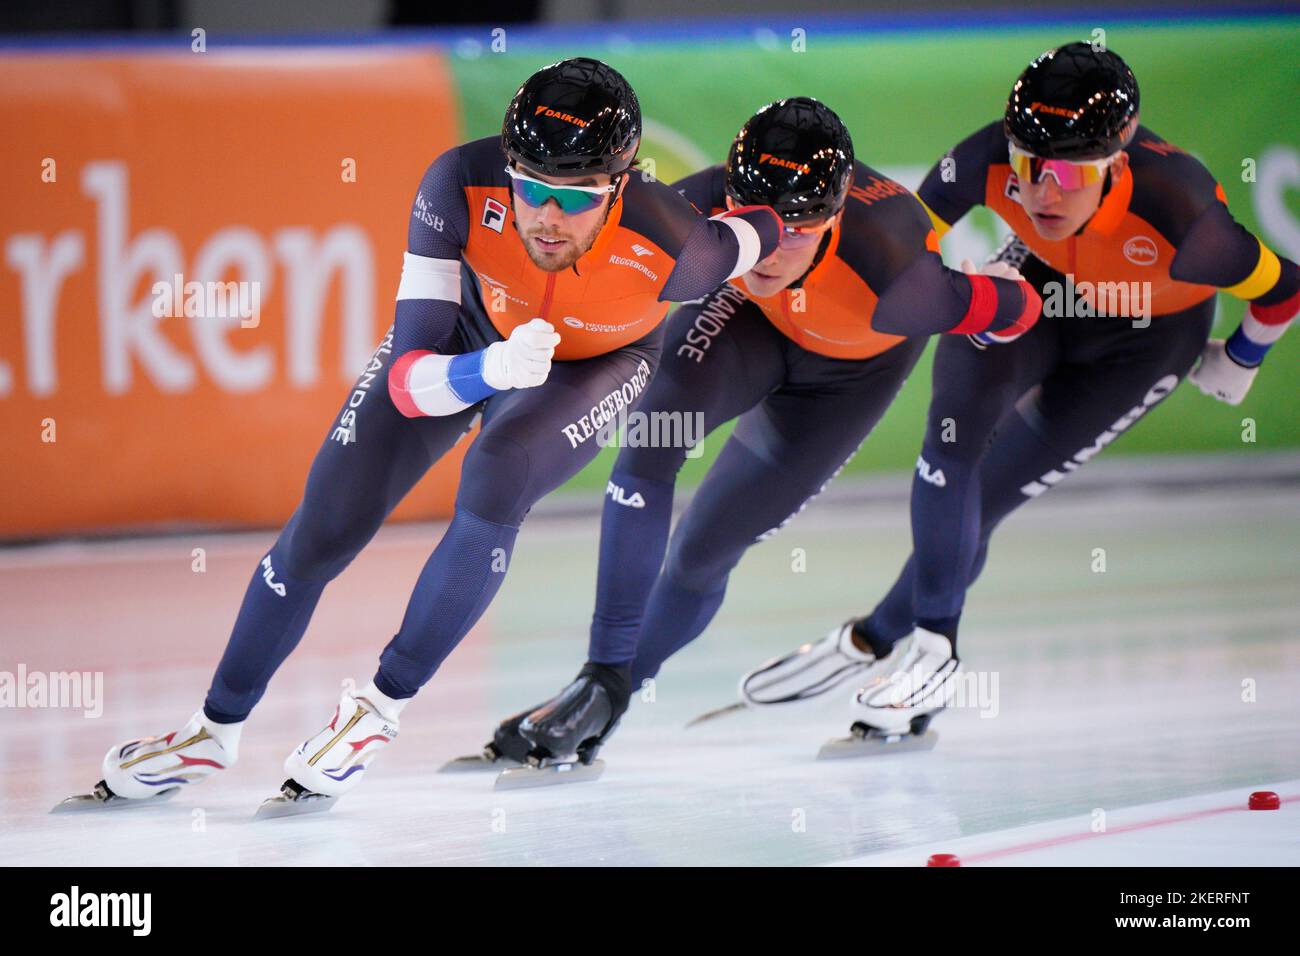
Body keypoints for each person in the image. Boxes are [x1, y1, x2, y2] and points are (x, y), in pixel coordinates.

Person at [62, 57, 786, 815]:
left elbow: (764, 228)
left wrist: (789, 216)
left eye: (573, 200)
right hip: (471, 334)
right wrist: (491, 368)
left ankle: (377, 709)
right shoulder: (457, 185)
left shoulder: (678, 246)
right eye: (531, 187)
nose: (546, 217)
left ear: (620, 186)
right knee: (323, 524)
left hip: (597, 363)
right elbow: (409, 379)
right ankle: (213, 727)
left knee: (498, 472)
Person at [735, 42, 1298, 745]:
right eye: (1028, 167)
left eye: (1065, 174)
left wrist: (1242, 357)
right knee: (949, 448)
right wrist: (948, 282)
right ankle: (932, 649)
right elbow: (900, 245)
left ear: (1117, 161)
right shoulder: (984, 159)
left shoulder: (1185, 218)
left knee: (992, 493)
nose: (1040, 193)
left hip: (1143, 344)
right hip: (1032, 290)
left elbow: (1285, 286)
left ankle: (875, 636)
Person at [468, 96, 1043, 775]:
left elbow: (1020, 306)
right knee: (649, 446)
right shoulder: (700, 206)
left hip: (848, 375)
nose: (772, 247)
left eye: (796, 232)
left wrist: (1007, 298)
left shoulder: (902, 276)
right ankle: (599, 679)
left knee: (703, 551)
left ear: (832, 219)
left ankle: (615, 693)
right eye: (756, 226)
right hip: (746, 316)